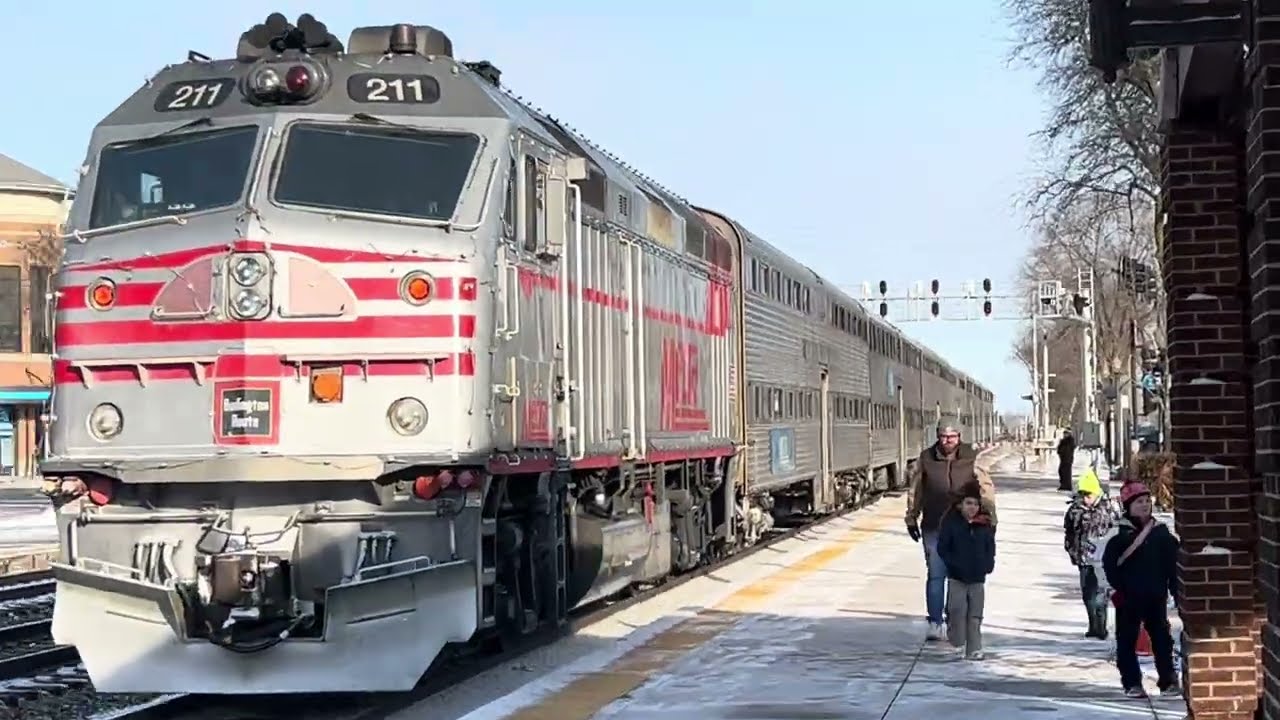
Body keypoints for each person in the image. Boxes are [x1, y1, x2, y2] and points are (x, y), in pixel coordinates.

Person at [905, 425, 997, 641]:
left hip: (964, 527)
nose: (948, 441)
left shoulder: (971, 458)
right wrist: (911, 516)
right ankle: (935, 622)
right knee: (936, 575)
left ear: (959, 437)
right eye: (944, 437)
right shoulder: (926, 458)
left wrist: (990, 518)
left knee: (957, 576)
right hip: (934, 525)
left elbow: (986, 489)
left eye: (952, 436)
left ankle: (953, 620)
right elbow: (916, 489)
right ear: (938, 437)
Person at [1102, 479, 1181, 699]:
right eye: (1139, 502)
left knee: (1162, 640)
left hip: (1156, 596)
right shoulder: (1118, 537)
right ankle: (1132, 683)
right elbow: (1109, 566)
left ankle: (1168, 681)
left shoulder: (1162, 535)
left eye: (1147, 501)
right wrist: (1119, 588)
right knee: (1126, 641)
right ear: (1128, 506)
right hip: (1128, 598)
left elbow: (1173, 567)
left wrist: (1175, 592)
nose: (1145, 505)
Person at [936, 481, 996, 660]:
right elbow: (943, 547)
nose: (972, 507)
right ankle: (957, 642)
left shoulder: (984, 525)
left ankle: (975, 648)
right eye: (968, 503)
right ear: (960, 505)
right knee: (956, 611)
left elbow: (990, 547)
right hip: (957, 576)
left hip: (978, 577)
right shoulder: (951, 524)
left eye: (976, 504)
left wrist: (988, 564)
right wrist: (952, 563)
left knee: (975, 615)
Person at [1063, 464, 1118, 639]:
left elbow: (1115, 530)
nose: (1086, 498)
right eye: (1083, 495)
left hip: (1102, 558)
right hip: (1084, 558)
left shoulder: (1106, 509)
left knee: (1101, 594)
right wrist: (1072, 550)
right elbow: (1069, 532)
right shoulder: (1074, 511)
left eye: (1089, 494)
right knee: (1088, 594)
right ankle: (1093, 624)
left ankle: (1101, 628)